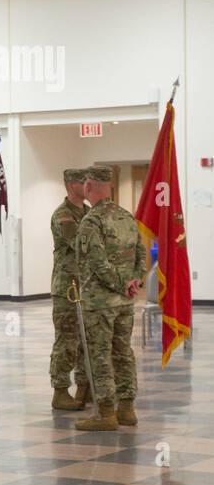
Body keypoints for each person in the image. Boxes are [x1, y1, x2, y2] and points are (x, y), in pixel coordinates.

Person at [73, 166, 146, 431]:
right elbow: (141, 253)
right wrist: (133, 283)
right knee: (123, 352)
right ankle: (127, 409)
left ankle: (106, 413)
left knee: (99, 355)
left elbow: (97, 263)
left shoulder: (92, 221)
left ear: (89, 186)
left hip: (100, 302)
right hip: (125, 302)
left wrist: (118, 285)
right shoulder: (126, 216)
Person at [50, 168, 90, 410]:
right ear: (70, 185)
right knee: (66, 340)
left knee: (86, 340)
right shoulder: (63, 215)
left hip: (86, 286)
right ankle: (61, 390)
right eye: (82, 181)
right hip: (67, 286)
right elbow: (78, 244)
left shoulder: (88, 212)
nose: (86, 185)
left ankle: (85, 387)